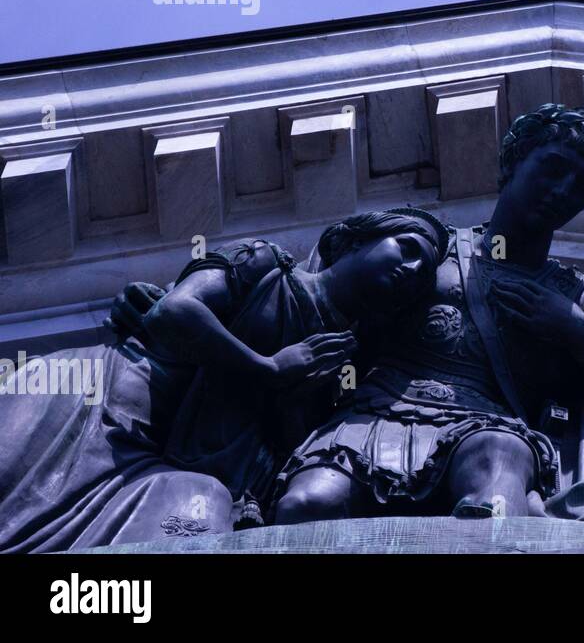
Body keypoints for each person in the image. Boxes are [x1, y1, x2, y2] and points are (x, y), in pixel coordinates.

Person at [276, 104, 584, 538]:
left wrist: (575, 329)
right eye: (553, 168)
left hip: (488, 433)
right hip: (370, 419)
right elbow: (321, 308)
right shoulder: (425, 248)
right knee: (306, 506)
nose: (563, 191)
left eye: (582, 187)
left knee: (497, 510)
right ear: (511, 163)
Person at [0, 208, 445, 551]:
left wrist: (293, 401)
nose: (410, 271)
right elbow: (174, 312)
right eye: (406, 249)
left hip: (172, 469)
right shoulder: (267, 263)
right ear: (354, 239)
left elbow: (287, 455)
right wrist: (269, 369)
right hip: (97, 411)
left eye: (422, 274)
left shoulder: (341, 370)